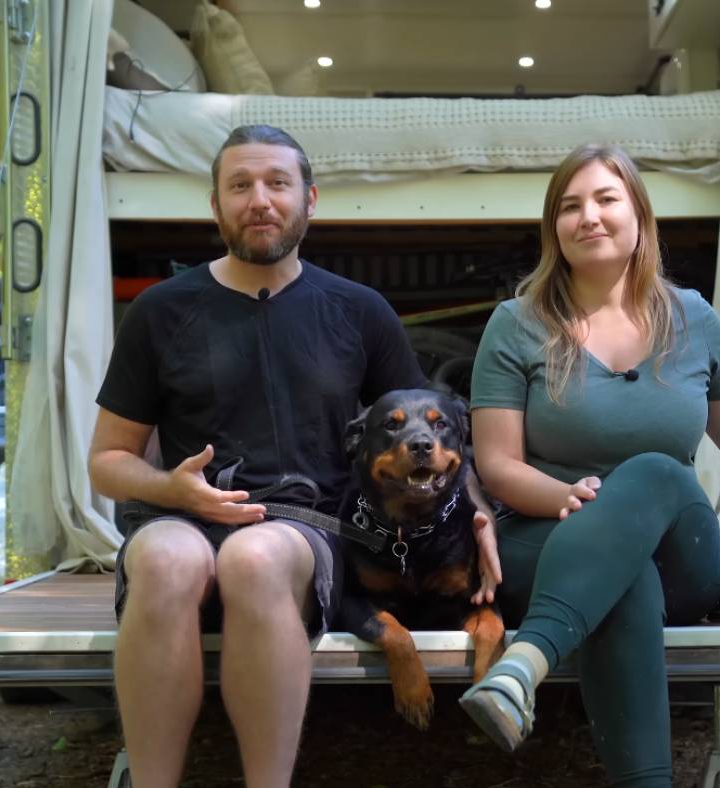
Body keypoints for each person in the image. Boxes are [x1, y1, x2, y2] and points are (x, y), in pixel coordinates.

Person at [88, 125, 499, 788]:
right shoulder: (160, 312)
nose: (260, 199)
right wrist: (175, 490)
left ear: (309, 200)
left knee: (256, 557)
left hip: (308, 527)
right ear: (215, 206)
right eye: (240, 185)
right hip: (180, 516)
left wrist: (475, 516)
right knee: (166, 558)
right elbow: (108, 460)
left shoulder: (359, 311)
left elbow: (434, 433)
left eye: (277, 183)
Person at [458, 143, 720, 787]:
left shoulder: (692, 317)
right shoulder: (518, 324)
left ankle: (525, 663)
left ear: (639, 216)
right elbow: (499, 464)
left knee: (652, 472)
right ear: (553, 229)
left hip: (682, 552)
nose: (587, 216)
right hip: (548, 539)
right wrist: (566, 498)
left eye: (605, 199)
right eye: (569, 206)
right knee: (627, 577)